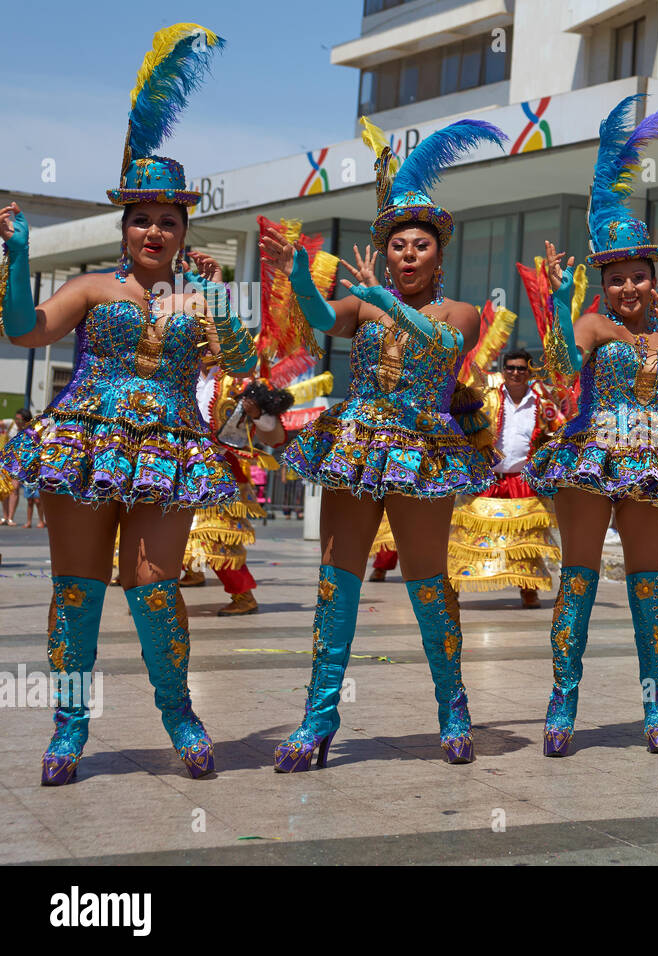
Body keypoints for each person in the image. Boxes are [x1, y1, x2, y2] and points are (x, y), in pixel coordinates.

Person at [0, 25, 254, 784]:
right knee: (76, 594)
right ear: (125, 227)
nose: (154, 231)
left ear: (184, 230)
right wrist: (14, 260)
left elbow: (241, 366)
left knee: (153, 591)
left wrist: (222, 306)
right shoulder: (91, 288)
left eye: (168, 220)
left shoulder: (201, 294)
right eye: (142, 218)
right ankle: (70, 728)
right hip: (84, 446)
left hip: (169, 453)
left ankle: (180, 715)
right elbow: (21, 329)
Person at [259, 115, 507, 770]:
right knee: (337, 580)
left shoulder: (460, 312)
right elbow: (318, 321)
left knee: (428, 582)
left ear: (438, 254)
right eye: (398, 246)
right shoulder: (362, 306)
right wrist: (305, 278)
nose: (406, 255)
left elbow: (443, 349)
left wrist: (378, 298)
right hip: (356, 441)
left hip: (423, 446)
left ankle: (452, 704)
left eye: (419, 245)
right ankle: (318, 719)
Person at [526, 96, 658, 757]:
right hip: (593, 456)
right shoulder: (594, 325)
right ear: (605, 280)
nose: (628, 289)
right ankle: (563, 700)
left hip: (653, 458)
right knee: (581, 580)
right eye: (617, 279)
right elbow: (561, 366)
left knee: (649, 585)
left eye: (638, 279)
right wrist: (562, 302)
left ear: (654, 281)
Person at [447, 346, 566, 607]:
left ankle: (528, 590)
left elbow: (560, 432)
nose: (515, 373)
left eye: (521, 368)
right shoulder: (487, 397)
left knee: (526, 539)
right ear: (504, 370)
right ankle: (453, 590)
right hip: (487, 478)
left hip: (523, 480)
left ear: (529, 371)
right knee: (469, 536)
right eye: (510, 368)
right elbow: (464, 420)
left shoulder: (543, 402)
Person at [182, 370, 291, 616]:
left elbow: (274, 436)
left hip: (220, 473)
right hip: (178, 468)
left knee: (214, 536)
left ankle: (243, 595)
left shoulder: (242, 378)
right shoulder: (179, 368)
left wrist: (257, 414)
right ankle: (186, 577)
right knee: (169, 532)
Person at [1, 409, 33, 525]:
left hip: (19, 462)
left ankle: (10, 517)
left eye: (20, 419)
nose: (17, 421)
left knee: (14, 488)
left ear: (26, 420)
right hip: (6, 460)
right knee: (5, 488)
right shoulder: (11, 424)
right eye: (16, 418)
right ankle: (4, 516)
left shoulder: (29, 430)